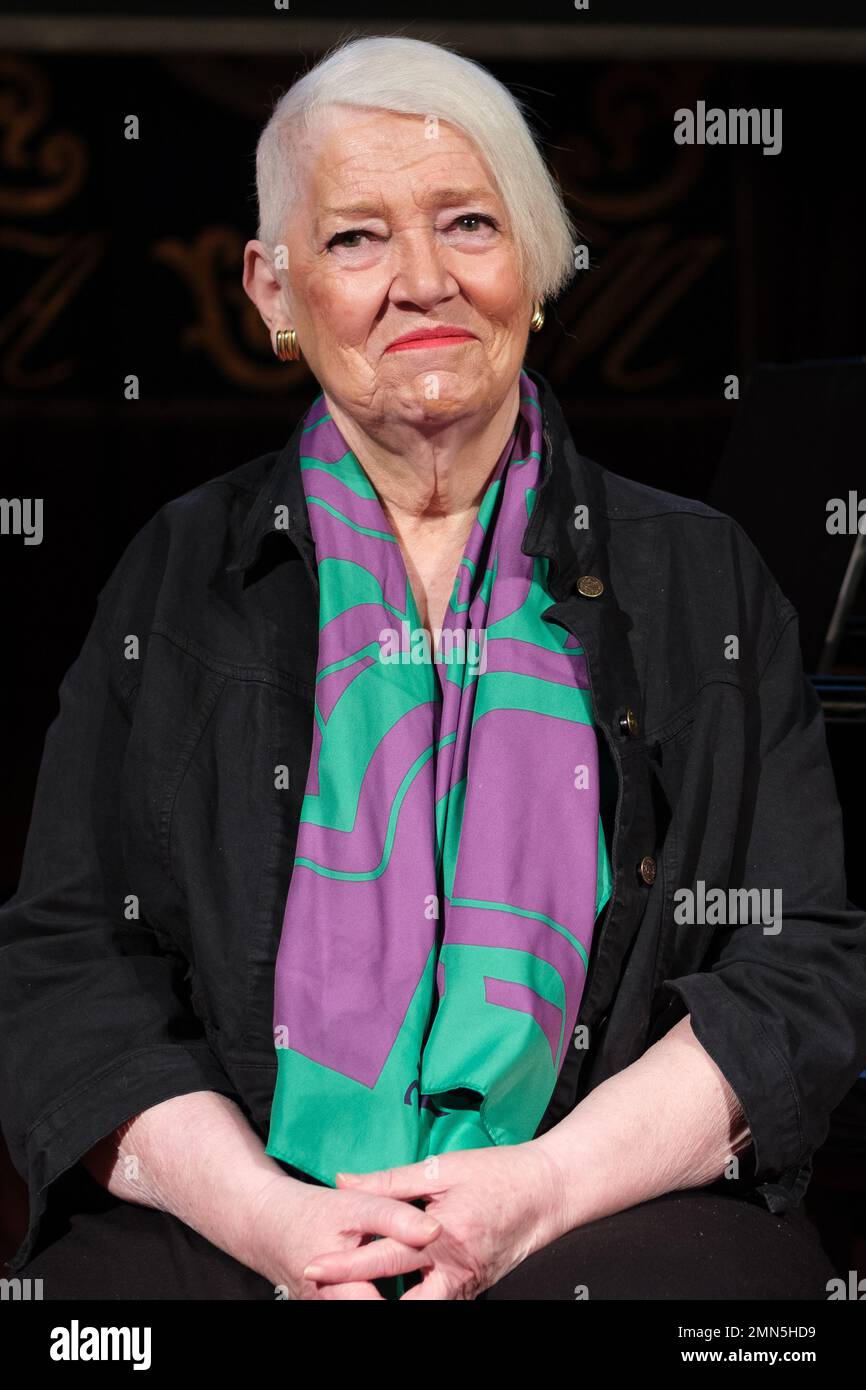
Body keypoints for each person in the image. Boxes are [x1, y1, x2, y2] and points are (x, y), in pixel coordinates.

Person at [1, 35, 863, 1301]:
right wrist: (272, 1226)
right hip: (249, 1203)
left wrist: (539, 1192)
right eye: (353, 239)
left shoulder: (697, 576)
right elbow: (68, 957)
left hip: (595, 1197)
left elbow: (796, 968)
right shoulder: (174, 570)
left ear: (537, 258)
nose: (421, 282)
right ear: (272, 291)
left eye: (468, 221)